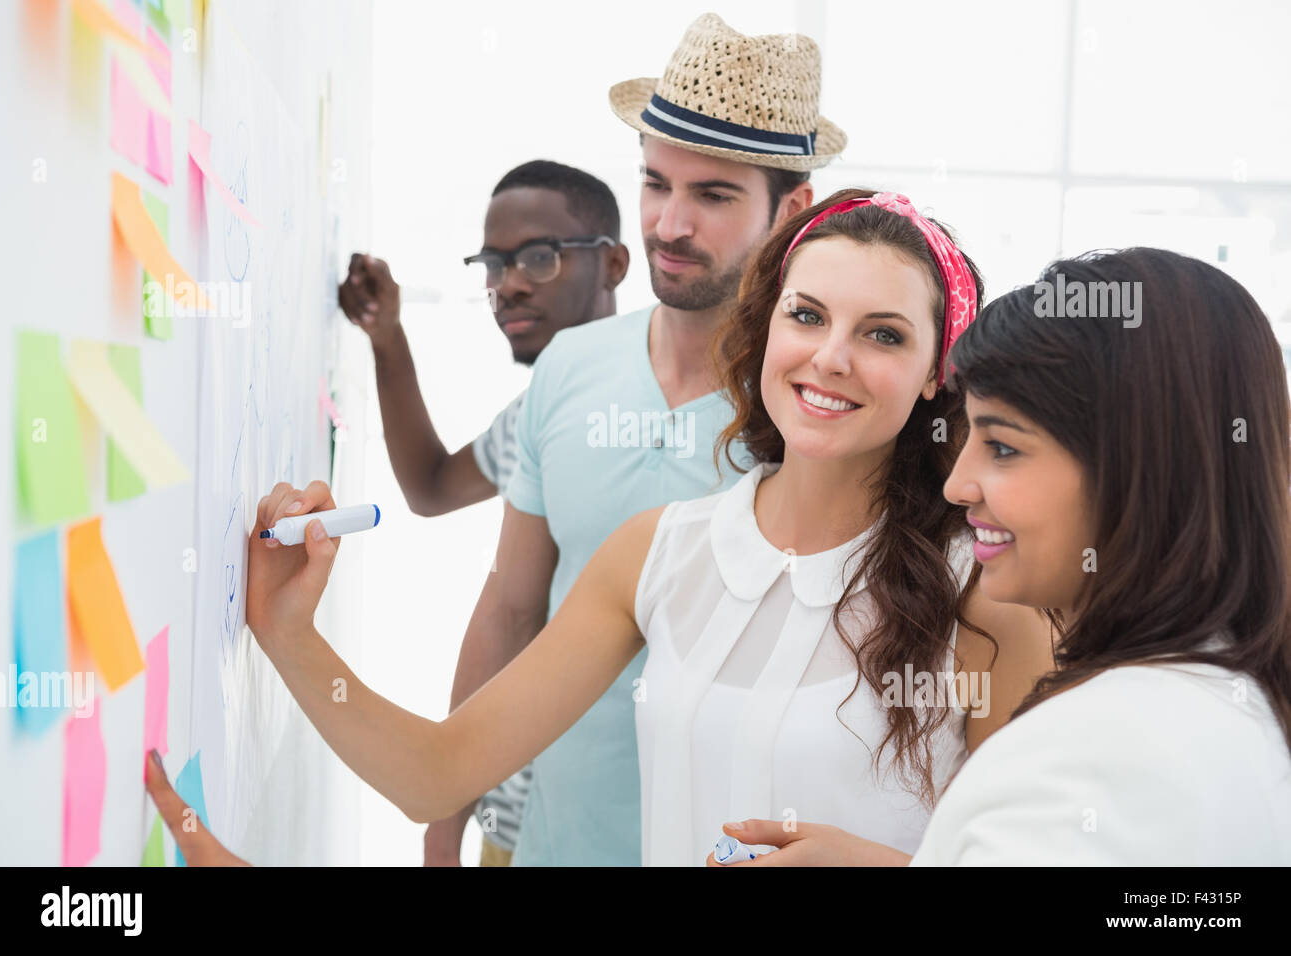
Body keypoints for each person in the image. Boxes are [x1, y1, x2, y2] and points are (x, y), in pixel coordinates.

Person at [145, 188, 1055, 866]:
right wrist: (286, 633)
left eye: (885, 335)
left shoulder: (985, 595)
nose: (830, 356)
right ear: (768, 324)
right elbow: (439, 771)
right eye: (807, 315)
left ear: (941, 374)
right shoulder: (660, 553)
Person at [716, 248, 1291, 865]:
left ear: (1139, 468)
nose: (959, 487)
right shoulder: (1218, 708)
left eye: (1004, 448)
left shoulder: (1093, 757)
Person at [426, 12, 841, 865]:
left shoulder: (818, 406)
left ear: (791, 209)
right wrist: (443, 821)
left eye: (714, 195)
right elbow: (511, 607)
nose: (669, 224)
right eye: (657, 183)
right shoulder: (571, 368)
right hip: (550, 844)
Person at [336, 160, 629, 866]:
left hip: (611, 824)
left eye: (539, 256)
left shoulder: (657, 405)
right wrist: (387, 336)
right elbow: (432, 487)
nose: (509, 284)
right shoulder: (540, 410)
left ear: (614, 264)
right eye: (493, 264)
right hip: (511, 819)